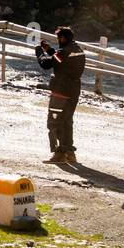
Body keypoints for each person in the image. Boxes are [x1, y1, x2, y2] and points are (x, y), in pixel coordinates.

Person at [36, 26, 86, 164]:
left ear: (63, 38)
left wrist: (39, 52)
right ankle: (70, 153)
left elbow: (46, 64)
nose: (58, 40)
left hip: (61, 91)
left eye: (59, 38)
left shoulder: (64, 52)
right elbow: (59, 59)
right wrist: (49, 50)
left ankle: (59, 154)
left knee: (55, 122)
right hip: (74, 91)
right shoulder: (77, 50)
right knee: (67, 122)